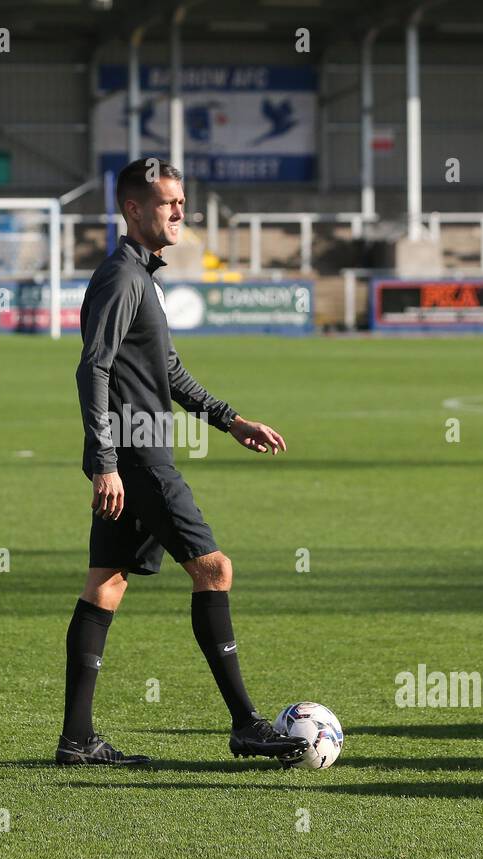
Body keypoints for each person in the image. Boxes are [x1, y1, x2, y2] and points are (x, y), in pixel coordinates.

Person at [57, 157, 309, 767]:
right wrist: (106, 463)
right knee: (214, 570)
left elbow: (165, 372)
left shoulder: (143, 277)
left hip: (137, 454)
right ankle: (247, 725)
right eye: (168, 202)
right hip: (139, 458)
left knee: (106, 585)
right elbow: (92, 367)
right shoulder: (121, 278)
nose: (180, 212)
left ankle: (77, 741)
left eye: (182, 201)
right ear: (134, 210)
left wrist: (231, 420)